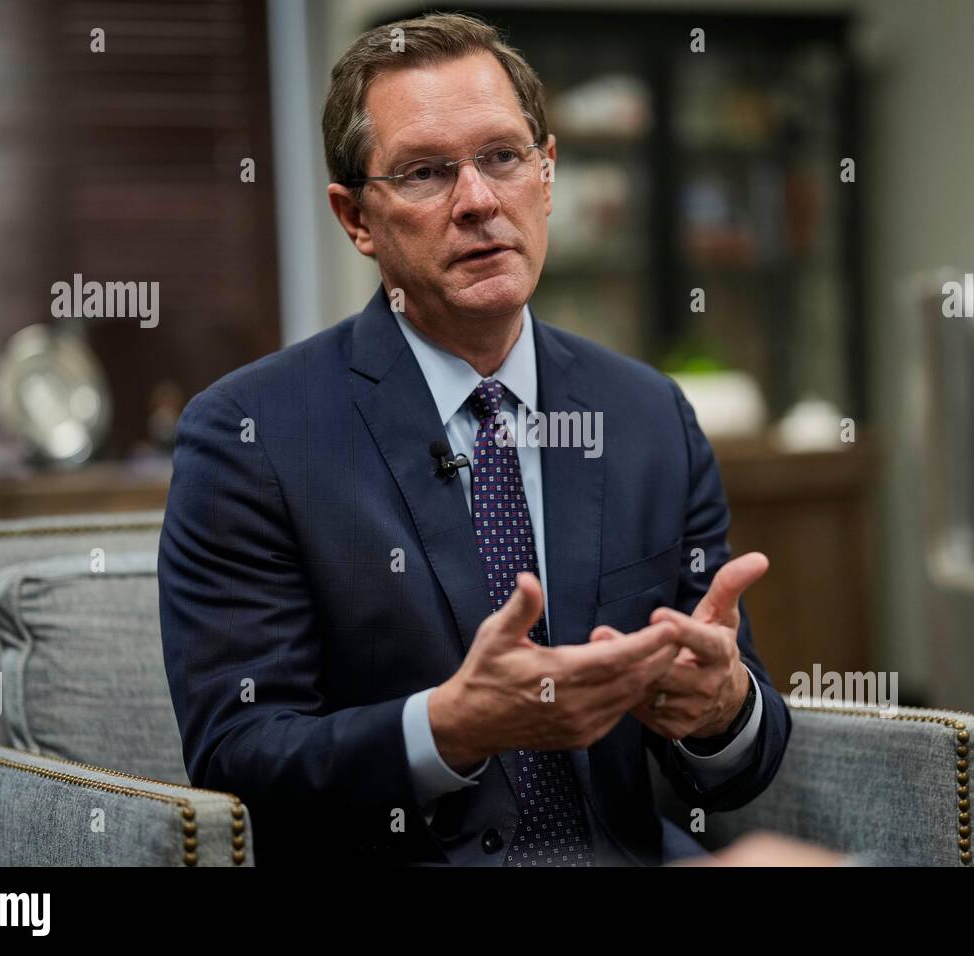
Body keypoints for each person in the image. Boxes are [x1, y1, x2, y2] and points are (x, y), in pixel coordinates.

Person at [157, 11, 790, 867]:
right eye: (425, 172)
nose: (479, 201)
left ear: (548, 173)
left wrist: (724, 710)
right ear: (356, 218)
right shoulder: (254, 436)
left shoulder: (648, 416)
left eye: (502, 157)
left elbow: (734, 763)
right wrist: (447, 728)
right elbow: (239, 758)